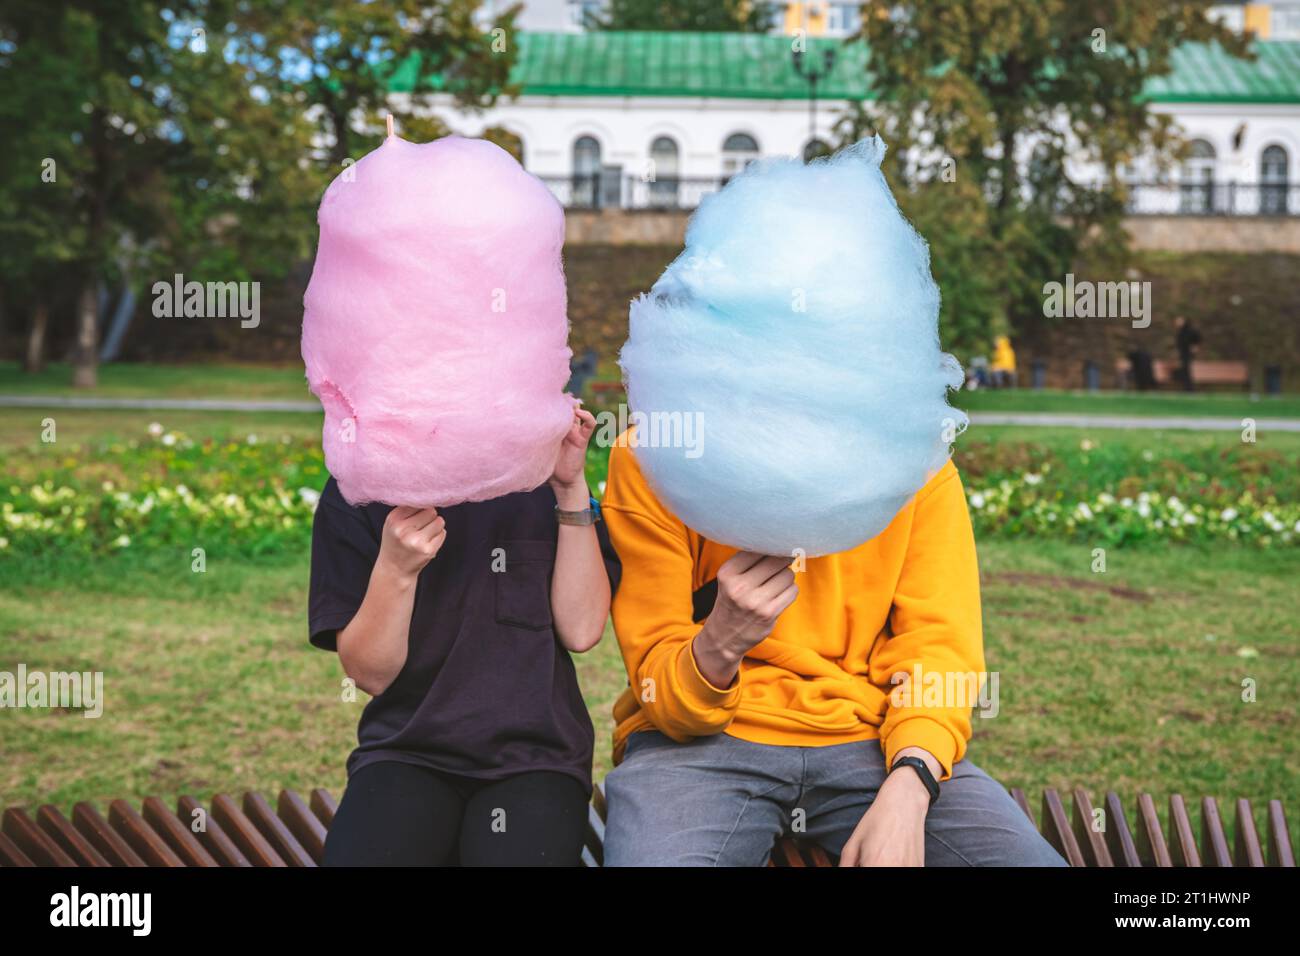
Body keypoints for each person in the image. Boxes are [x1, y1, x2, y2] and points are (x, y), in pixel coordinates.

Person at [599, 436, 1067, 867]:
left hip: (875, 739)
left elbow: (938, 648)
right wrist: (721, 642)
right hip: (697, 748)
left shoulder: (915, 460)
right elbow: (658, 687)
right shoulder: (653, 454)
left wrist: (911, 781)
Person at [310, 408, 620, 866]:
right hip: (406, 750)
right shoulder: (359, 487)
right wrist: (395, 568)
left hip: (536, 756)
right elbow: (370, 673)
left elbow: (581, 629)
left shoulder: (543, 477)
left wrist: (570, 488)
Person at [1174, 316, 1202, 392]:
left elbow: (1197, 338)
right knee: (1184, 371)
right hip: (1182, 354)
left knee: (1187, 370)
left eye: (1179, 321)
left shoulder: (1190, 330)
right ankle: (1186, 388)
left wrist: (1195, 346)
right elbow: (1179, 344)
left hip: (1188, 354)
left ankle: (1190, 389)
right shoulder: (1180, 332)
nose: (1177, 323)